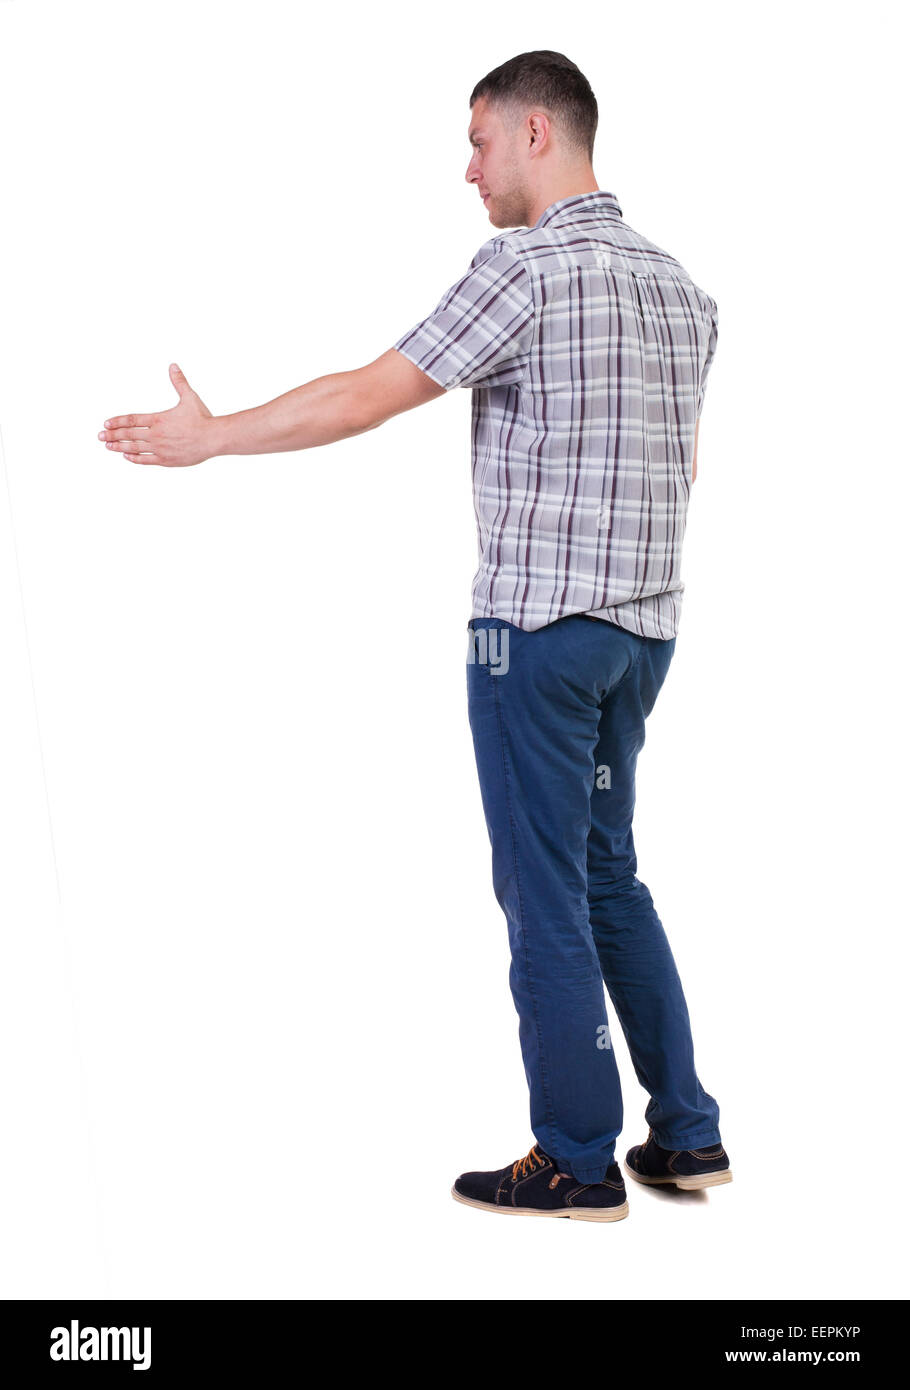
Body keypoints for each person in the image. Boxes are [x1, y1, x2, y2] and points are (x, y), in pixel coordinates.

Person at [97, 49, 731, 1223]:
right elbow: (679, 465)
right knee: (605, 874)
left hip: (535, 641)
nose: (470, 169)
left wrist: (213, 437)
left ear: (538, 134)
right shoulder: (680, 288)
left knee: (544, 890)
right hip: (641, 639)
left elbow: (367, 392)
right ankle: (685, 1136)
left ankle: (577, 1160)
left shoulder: (525, 267)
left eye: (480, 141)